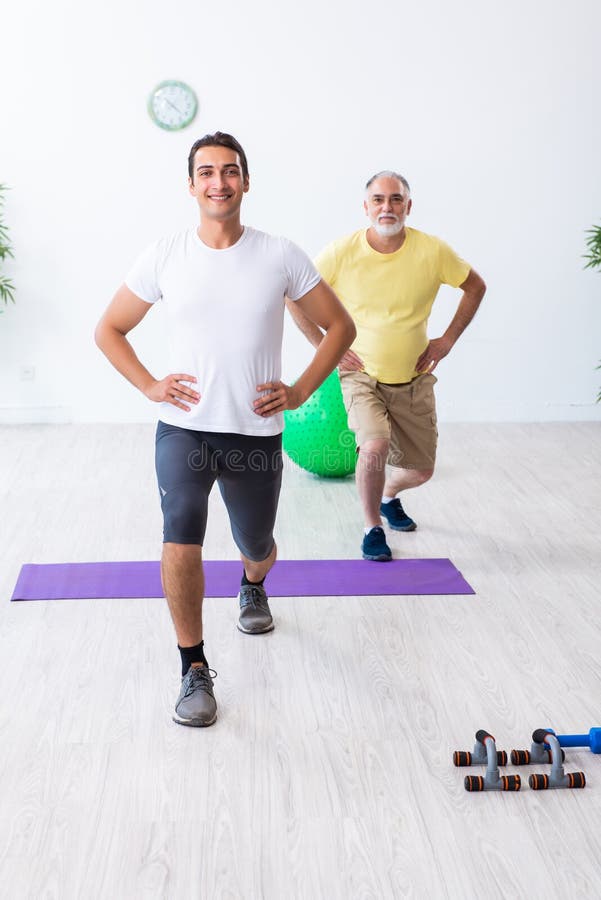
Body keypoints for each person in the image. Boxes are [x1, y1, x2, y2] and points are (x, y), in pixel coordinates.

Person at [94, 132, 355, 727]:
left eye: (230, 171)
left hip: (255, 434)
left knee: (255, 543)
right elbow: (110, 328)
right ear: (191, 185)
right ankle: (193, 668)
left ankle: (252, 581)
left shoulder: (280, 254)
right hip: (183, 429)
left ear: (245, 181)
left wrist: (299, 390)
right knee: (180, 529)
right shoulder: (164, 254)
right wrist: (149, 385)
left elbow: (339, 328)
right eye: (206, 172)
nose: (219, 182)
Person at [287, 170, 486, 562]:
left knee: (422, 470)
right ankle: (371, 527)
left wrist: (447, 341)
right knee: (373, 445)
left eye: (396, 199)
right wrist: (325, 345)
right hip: (361, 375)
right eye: (378, 199)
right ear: (366, 208)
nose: (387, 207)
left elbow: (475, 286)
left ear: (408, 207)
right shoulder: (341, 252)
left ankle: (389, 495)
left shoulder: (432, 251)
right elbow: (294, 294)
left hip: (413, 378)